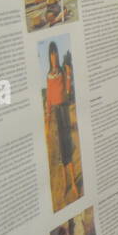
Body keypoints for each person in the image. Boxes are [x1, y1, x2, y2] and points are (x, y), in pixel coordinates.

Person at [45, 42, 78, 202]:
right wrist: (47, 119)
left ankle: (73, 183)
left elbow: (67, 91)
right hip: (55, 114)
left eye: (55, 53)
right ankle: (65, 184)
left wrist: (69, 74)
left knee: (68, 147)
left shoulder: (62, 74)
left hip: (64, 111)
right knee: (60, 152)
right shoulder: (49, 76)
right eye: (51, 54)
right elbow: (49, 100)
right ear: (49, 57)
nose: (54, 56)